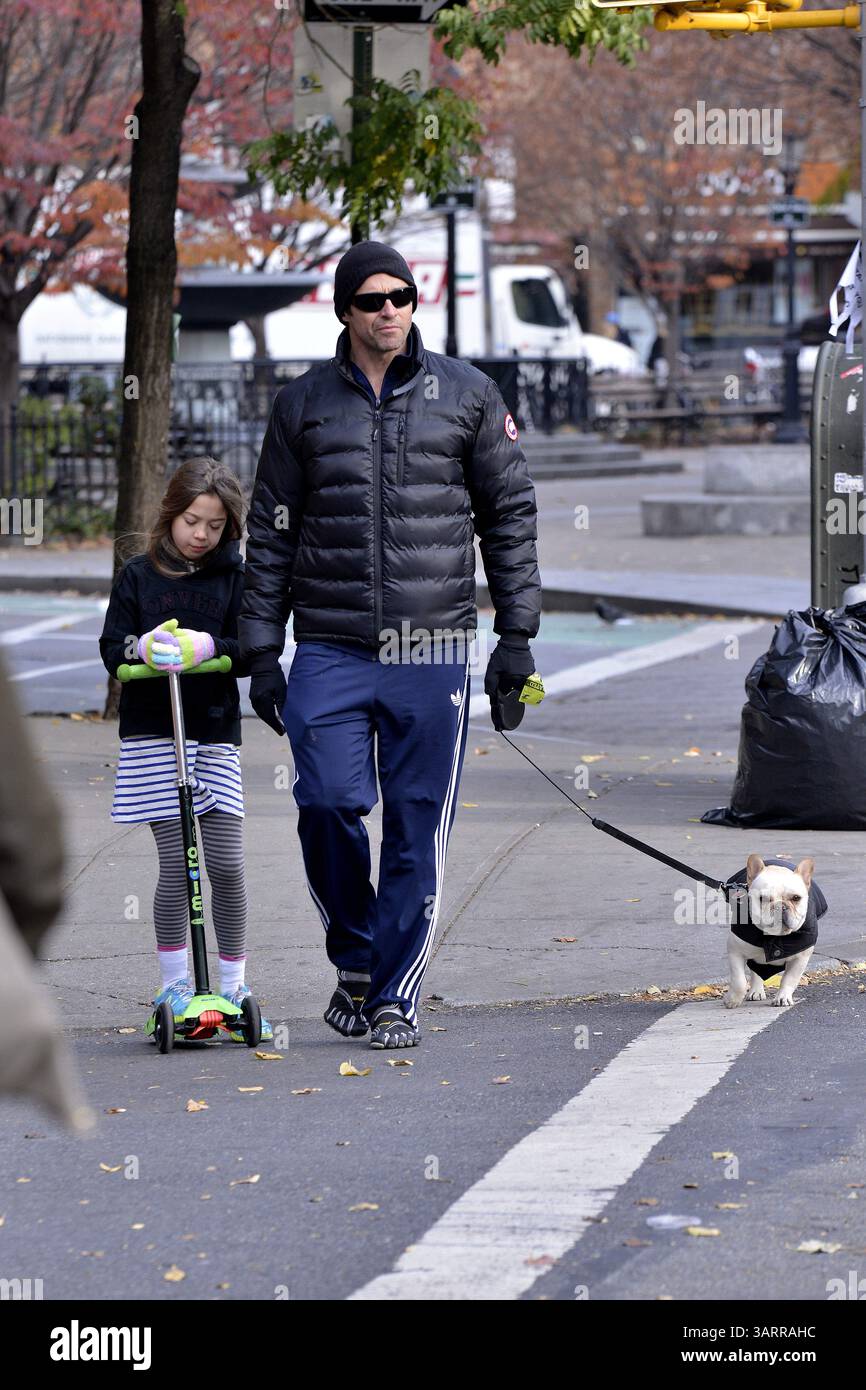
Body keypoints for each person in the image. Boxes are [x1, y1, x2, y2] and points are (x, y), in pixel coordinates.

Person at [239, 240, 541, 1050]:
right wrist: (261, 651)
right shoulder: (302, 404)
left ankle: (393, 996)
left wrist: (517, 637)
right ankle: (356, 955)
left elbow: (509, 516)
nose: (388, 311)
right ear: (346, 310)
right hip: (331, 645)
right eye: (372, 299)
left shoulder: (468, 393)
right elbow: (271, 531)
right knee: (327, 803)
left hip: (432, 649)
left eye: (401, 297)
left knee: (415, 826)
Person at [99, 457, 272, 1041]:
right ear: (170, 514)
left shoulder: (233, 577)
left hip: (214, 733)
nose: (201, 534)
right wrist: (142, 649)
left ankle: (234, 984)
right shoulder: (137, 576)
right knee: (178, 866)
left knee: (225, 863)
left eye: (215, 525)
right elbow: (113, 648)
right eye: (192, 521)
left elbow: (248, 647)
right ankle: (175, 984)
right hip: (155, 737)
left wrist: (209, 647)